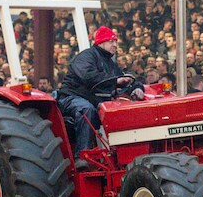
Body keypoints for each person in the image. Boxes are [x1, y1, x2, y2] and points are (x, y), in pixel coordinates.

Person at [57, 27, 143, 155]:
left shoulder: (110, 63)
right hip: (72, 97)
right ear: (101, 42)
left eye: (116, 42)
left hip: (94, 99)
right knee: (87, 109)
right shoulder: (86, 56)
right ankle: (83, 154)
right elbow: (88, 76)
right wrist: (115, 81)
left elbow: (123, 78)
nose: (115, 45)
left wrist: (137, 88)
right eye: (111, 41)